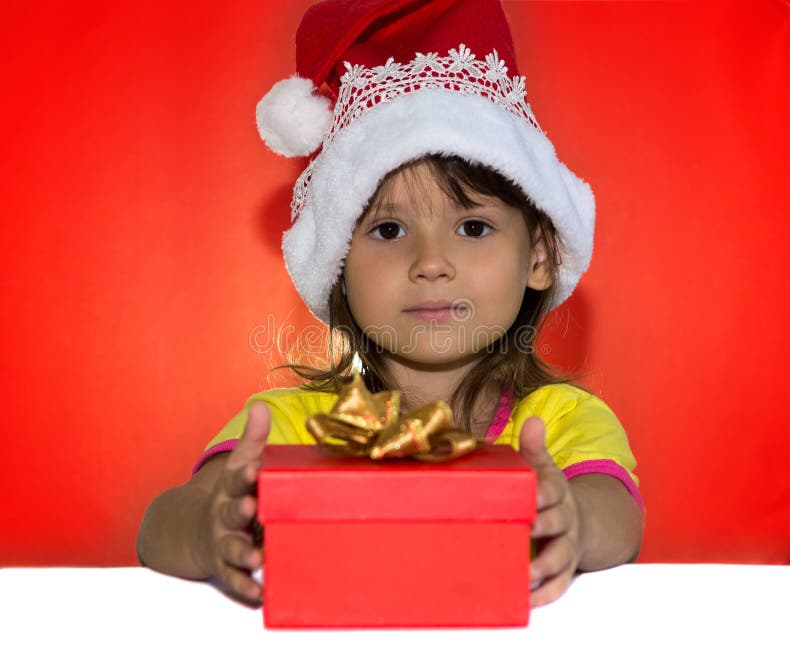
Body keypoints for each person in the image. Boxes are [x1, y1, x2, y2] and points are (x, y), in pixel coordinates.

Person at [137, 0, 644, 611]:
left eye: (474, 228)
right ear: (339, 266)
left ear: (538, 254)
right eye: (389, 231)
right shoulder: (290, 426)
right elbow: (161, 525)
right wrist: (205, 526)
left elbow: (617, 515)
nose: (431, 262)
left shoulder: (560, 423)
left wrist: (574, 522)